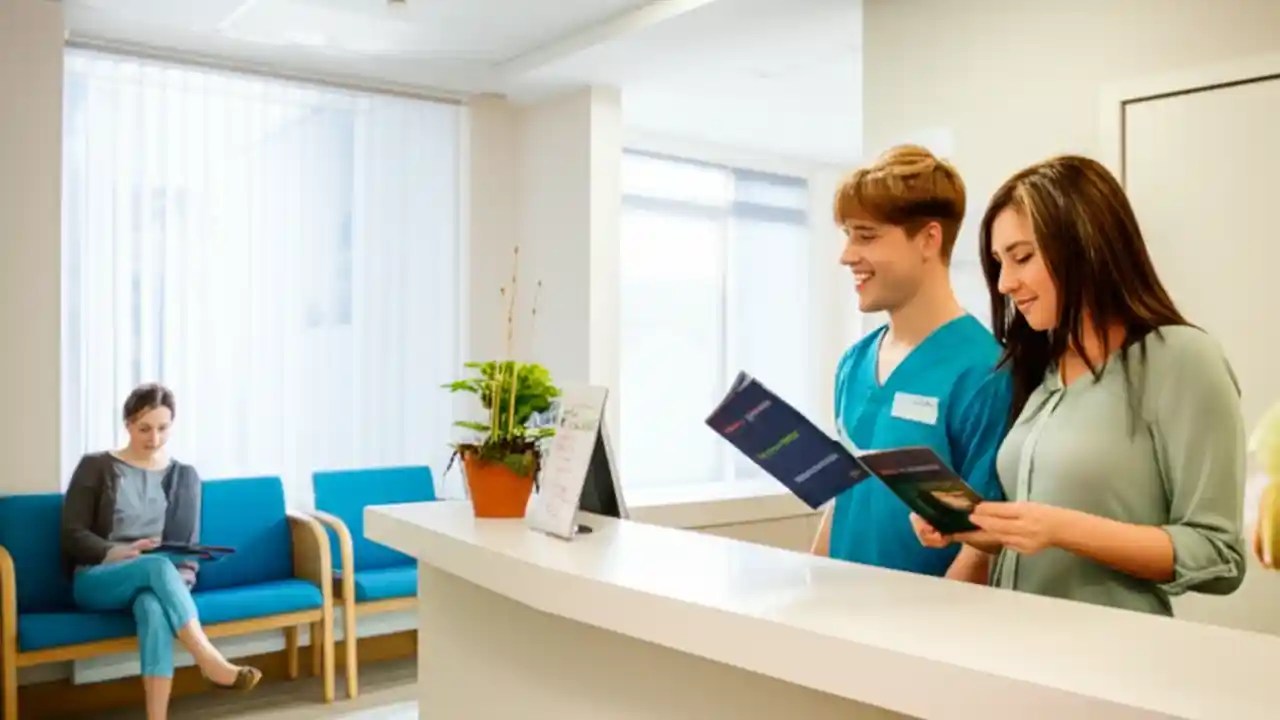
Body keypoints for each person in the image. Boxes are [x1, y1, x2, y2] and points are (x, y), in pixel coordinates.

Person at [911, 154, 1247, 615]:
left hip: (1113, 657)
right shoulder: (1042, 372)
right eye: (997, 262)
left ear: (1086, 246)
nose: (1005, 283)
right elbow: (1039, 538)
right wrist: (974, 528)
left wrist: (1060, 528)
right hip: (1020, 645)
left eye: (1022, 257)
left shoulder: (1181, 360)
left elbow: (1218, 556)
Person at [811, 144, 1011, 579]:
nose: (846, 255)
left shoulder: (985, 371)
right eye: (847, 235)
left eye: (865, 236)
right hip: (841, 620)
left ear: (928, 240)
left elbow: (982, 545)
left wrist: (928, 635)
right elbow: (841, 500)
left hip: (923, 631)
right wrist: (814, 586)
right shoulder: (854, 362)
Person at [61, 383, 261, 720]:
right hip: (99, 578)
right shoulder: (96, 467)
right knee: (153, 567)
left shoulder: (184, 476)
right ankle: (208, 659)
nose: (154, 438)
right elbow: (72, 534)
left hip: (158, 579)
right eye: (144, 428)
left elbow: (184, 552)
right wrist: (117, 551)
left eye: (163, 428)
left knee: (153, 609)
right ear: (127, 424)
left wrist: (173, 583)